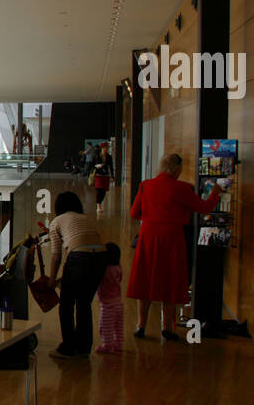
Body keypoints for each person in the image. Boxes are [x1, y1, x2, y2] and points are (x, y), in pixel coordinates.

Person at [128, 153, 225, 340]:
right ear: (177, 169)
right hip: (172, 238)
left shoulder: (145, 185)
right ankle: (167, 328)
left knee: (146, 280)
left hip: (148, 237)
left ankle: (141, 325)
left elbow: (134, 213)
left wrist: (152, 218)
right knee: (170, 281)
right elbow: (204, 208)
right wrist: (215, 193)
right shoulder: (181, 188)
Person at [47, 191, 107, 359]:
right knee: (84, 303)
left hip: (79, 257)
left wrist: (52, 280)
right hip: (101, 257)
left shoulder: (56, 221)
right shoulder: (86, 218)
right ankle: (83, 348)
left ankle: (67, 348)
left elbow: (56, 255)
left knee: (66, 305)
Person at [95, 242, 124, 354]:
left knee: (105, 327)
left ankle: (108, 346)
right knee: (118, 327)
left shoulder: (104, 270)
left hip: (107, 306)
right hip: (119, 304)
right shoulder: (118, 268)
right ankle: (119, 344)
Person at [92, 144, 114, 217]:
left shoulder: (109, 157)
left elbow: (111, 166)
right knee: (99, 190)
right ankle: (98, 206)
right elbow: (93, 164)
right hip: (98, 175)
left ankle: (100, 202)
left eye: (107, 148)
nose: (106, 149)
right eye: (104, 148)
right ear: (102, 148)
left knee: (104, 191)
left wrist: (112, 176)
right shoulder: (97, 156)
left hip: (105, 175)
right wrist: (97, 166)